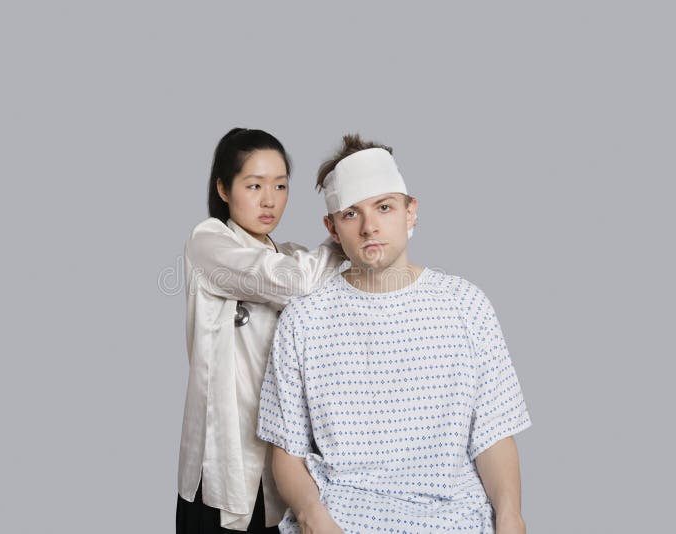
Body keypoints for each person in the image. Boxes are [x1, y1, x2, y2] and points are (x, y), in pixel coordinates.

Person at [257, 134, 532, 533]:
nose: (370, 227)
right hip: (341, 516)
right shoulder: (304, 320)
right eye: (352, 214)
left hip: (455, 518)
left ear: (410, 212)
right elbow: (286, 450)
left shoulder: (466, 306)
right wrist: (312, 516)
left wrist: (511, 518)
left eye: (384, 207)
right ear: (332, 228)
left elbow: (492, 437)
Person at [177, 128, 345, 533]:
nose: (269, 200)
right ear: (223, 187)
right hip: (223, 461)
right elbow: (296, 282)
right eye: (254, 185)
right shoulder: (209, 243)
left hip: (281, 464)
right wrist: (344, 232)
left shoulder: (289, 255)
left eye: (281, 186)